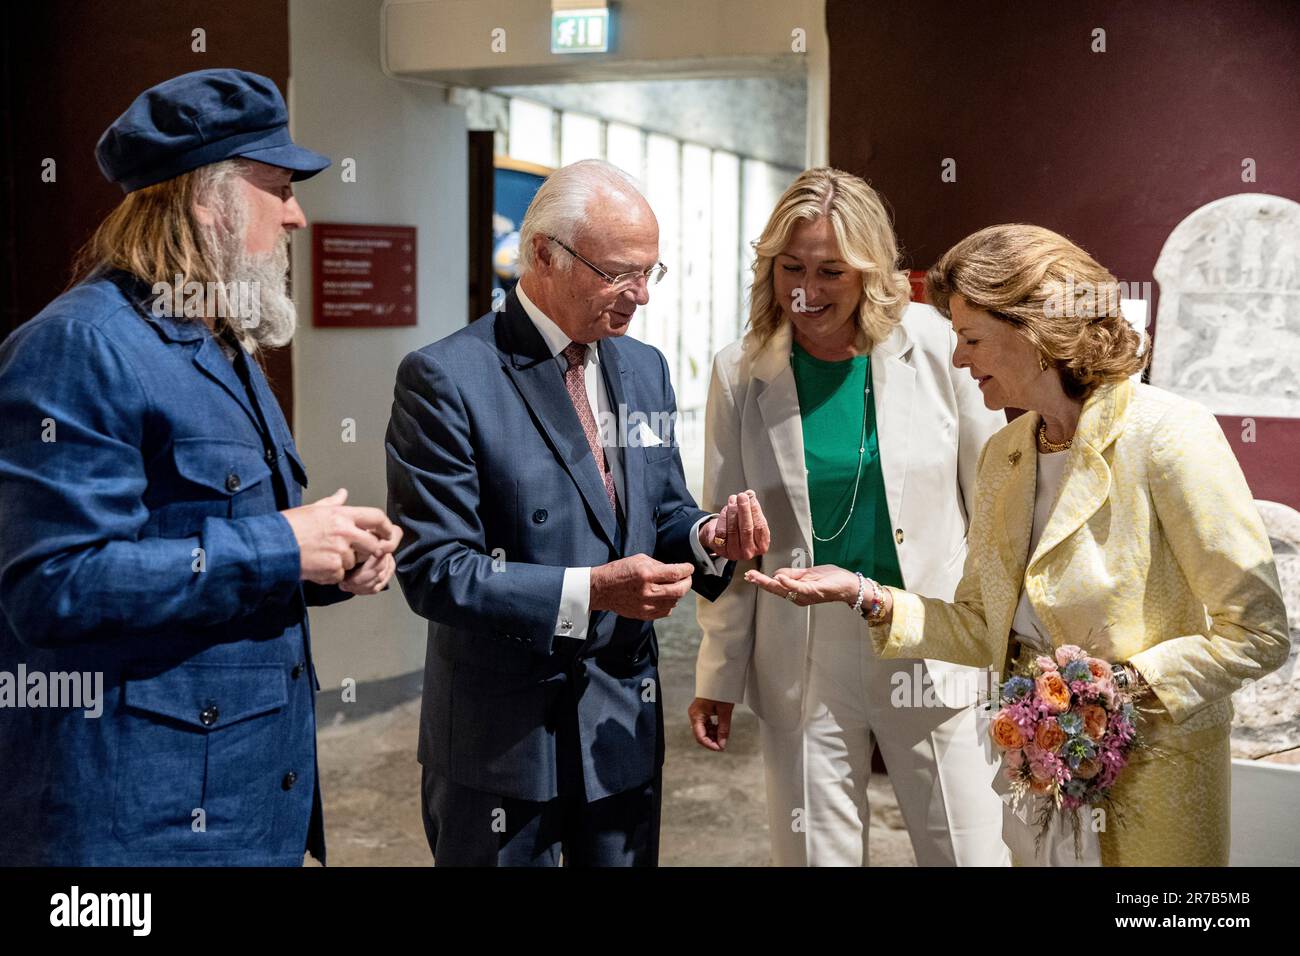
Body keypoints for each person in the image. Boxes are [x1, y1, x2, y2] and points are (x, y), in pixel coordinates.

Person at [748, 223, 1291, 865]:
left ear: (1036, 334)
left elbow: (1257, 633)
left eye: (971, 338)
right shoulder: (1007, 454)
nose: (957, 360)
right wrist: (863, 594)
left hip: (1153, 791)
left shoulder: (1170, 436)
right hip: (1039, 798)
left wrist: (1113, 690)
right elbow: (984, 627)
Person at [0, 69, 400, 866]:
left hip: (247, 807)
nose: (297, 216)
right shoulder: (77, 347)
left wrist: (322, 560)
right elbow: (53, 586)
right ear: (207, 200)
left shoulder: (221, 344)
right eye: (280, 189)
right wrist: (284, 546)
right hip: (136, 823)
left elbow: (204, 542)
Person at [386, 159, 770, 866]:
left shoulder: (643, 368)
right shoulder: (447, 377)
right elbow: (434, 570)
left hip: (619, 732)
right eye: (620, 273)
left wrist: (709, 536)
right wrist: (589, 593)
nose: (642, 296)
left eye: (652, 272)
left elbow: (662, 513)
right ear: (542, 255)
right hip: (503, 746)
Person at [690, 168, 1008, 866]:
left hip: (927, 636)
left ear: (869, 270)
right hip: (805, 653)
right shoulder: (739, 373)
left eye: (831, 270)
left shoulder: (935, 345)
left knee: (969, 851)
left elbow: (994, 510)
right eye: (790, 267)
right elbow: (726, 543)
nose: (807, 289)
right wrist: (717, 672)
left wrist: (1010, 640)